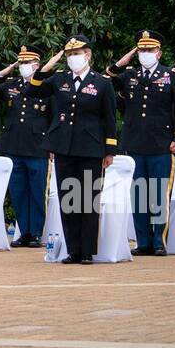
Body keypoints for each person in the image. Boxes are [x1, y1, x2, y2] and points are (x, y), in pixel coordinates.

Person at [108, 31, 175, 257]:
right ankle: (143, 241)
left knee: (159, 194)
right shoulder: (130, 75)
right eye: (142, 50)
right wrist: (122, 61)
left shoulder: (170, 75)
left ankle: (158, 240)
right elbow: (107, 79)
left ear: (159, 53)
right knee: (139, 194)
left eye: (149, 50)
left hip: (161, 143)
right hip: (134, 144)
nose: (145, 54)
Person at [43, 36, 118, 263]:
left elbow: (110, 118)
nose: (73, 58)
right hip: (64, 147)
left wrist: (109, 150)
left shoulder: (102, 83)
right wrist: (49, 64)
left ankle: (87, 251)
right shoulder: (59, 79)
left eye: (77, 54)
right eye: (69, 55)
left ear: (88, 55)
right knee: (69, 200)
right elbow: (33, 89)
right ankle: (73, 250)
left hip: (91, 148)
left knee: (87, 200)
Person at [0, 45, 60, 247]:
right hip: (13, 145)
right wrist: (4, 71)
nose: (23, 66)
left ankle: (36, 233)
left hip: (39, 146)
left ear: (37, 65)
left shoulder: (47, 86)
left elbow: (55, 117)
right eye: (20, 63)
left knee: (38, 192)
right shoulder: (11, 84)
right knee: (18, 192)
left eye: (27, 63)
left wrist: (53, 145)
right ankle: (24, 232)